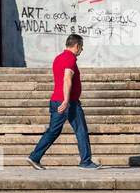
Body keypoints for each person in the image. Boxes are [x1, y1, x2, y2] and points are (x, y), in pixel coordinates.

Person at [28, 33, 101, 170]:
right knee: (81, 130)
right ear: (76, 45)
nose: (82, 50)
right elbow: (67, 79)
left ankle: (34, 157)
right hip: (68, 103)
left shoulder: (58, 58)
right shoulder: (70, 59)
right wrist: (67, 100)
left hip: (57, 100)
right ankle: (86, 161)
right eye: (82, 47)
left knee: (53, 131)